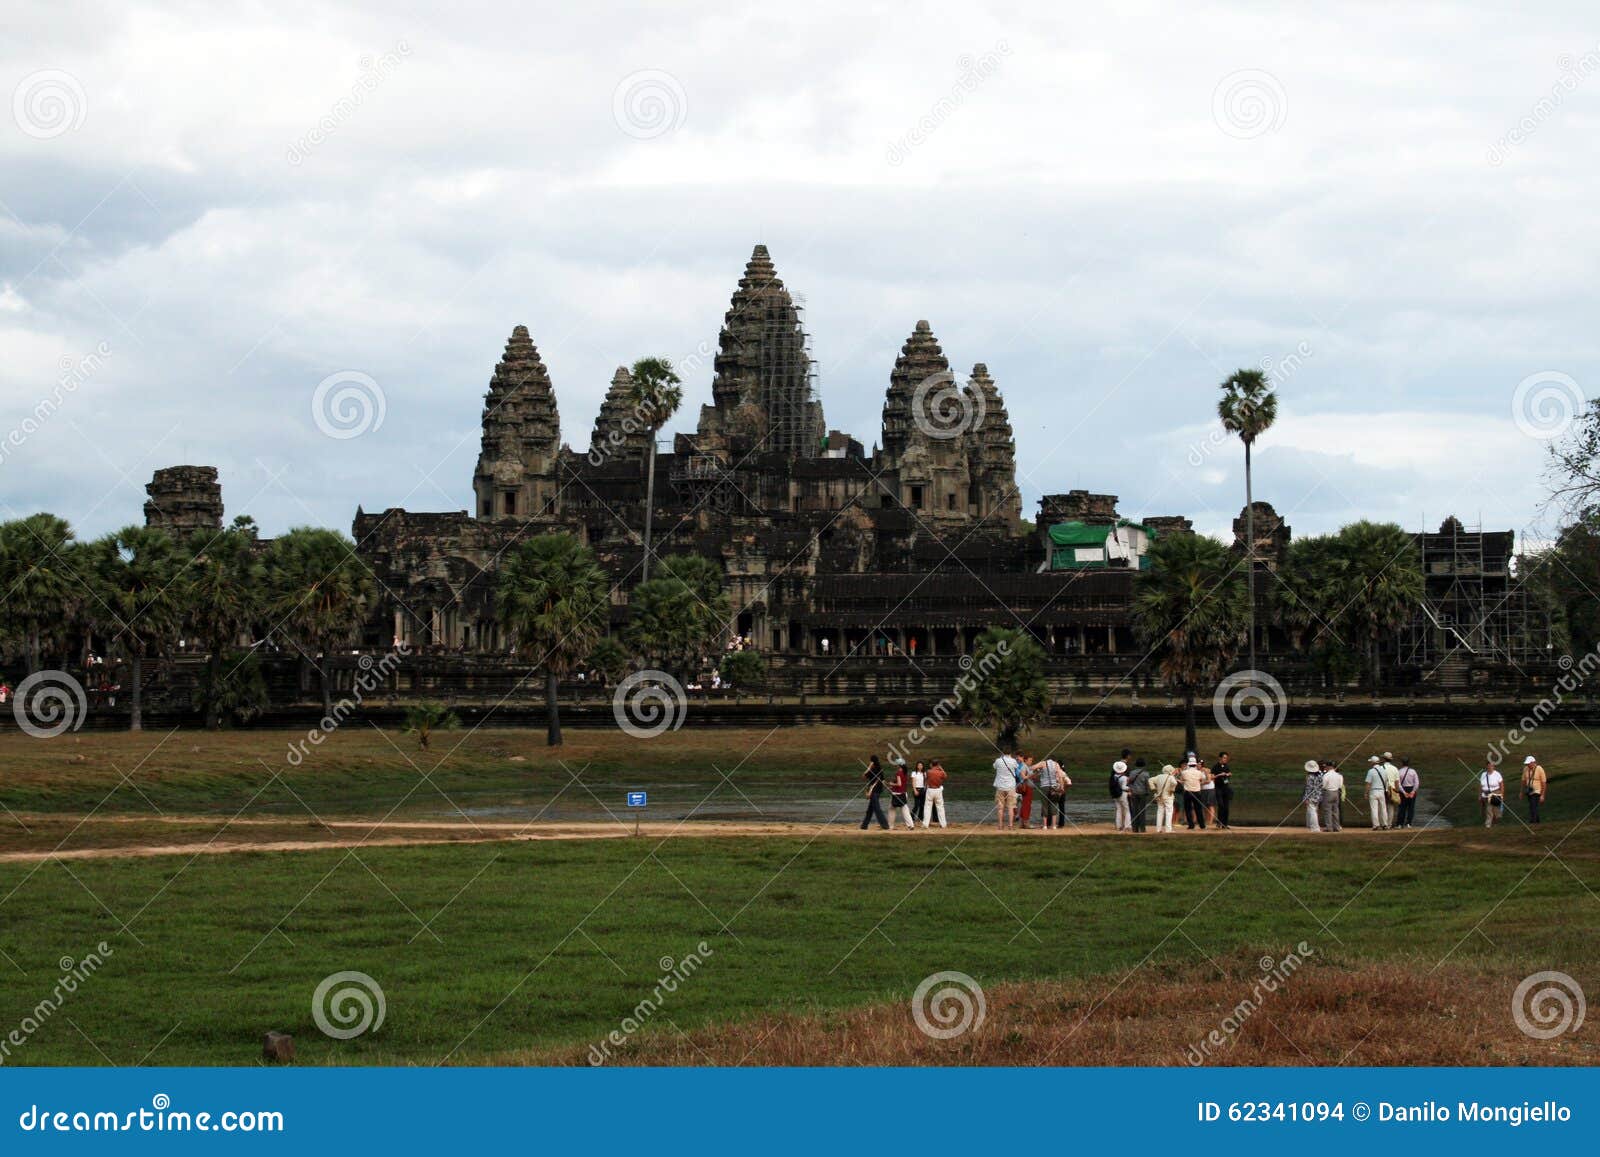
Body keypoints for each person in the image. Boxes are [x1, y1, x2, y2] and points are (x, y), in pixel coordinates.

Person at [1034, 754, 1070, 830]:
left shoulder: (1043, 765)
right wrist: (1062, 787)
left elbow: (1033, 769)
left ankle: (1045, 825)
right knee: (1054, 806)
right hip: (1055, 788)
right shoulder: (1057, 767)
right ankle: (1053, 825)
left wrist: (1038, 769)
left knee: (1045, 806)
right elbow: (1062, 778)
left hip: (1045, 787)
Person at [860, 755, 889, 831]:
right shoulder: (880, 769)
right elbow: (883, 780)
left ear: (872, 761)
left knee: (877, 809)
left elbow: (863, 776)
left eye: (870, 761)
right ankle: (864, 825)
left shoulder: (872, 770)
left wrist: (869, 767)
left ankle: (885, 825)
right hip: (878, 790)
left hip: (874, 791)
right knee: (870, 809)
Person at [993, 752, 1020, 831]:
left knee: (1000, 807)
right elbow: (1016, 767)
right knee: (1011, 807)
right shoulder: (1013, 761)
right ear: (1010, 753)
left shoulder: (998, 760)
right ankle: (1010, 825)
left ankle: (1000, 825)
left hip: (1000, 786)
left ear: (1002, 753)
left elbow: (994, 766)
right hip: (1010, 786)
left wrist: (1000, 758)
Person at [888, 757, 915, 831]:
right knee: (905, 810)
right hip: (903, 793)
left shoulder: (898, 773)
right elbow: (902, 783)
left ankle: (890, 826)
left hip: (897, 794)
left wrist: (892, 784)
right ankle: (910, 825)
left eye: (896, 764)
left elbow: (899, 784)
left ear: (898, 765)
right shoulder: (905, 772)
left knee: (891, 809)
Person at [1179, 758, 1207, 830]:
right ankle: (1202, 825)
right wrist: (1197, 782)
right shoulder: (1199, 772)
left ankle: (1191, 825)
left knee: (1188, 809)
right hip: (1197, 792)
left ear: (1189, 764)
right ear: (1195, 764)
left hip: (1187, 793)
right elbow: (1203, 779)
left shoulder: (1184, 772)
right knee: (1198, 809)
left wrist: (1182, 781)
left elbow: (1182, 780)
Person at [1150, 763, 1178, 833]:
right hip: (1168, 797)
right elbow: (1175, 783)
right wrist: (1172, 790)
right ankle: (1168, 829)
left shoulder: (1159, 776)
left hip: (1159, 796)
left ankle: (1158, 829)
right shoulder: (1171, 777)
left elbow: (1150, 780)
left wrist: (1154, 789)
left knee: (1160, 812)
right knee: (1169, 812)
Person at [1364, 755, 1390, 830]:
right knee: (1383, 808)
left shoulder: (1371, 771)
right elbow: (1386, 782)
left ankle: (1376, 825)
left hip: (1373, 791)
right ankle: (1385, 824)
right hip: (1381, 791)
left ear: (1373, 763)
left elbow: (1368, 783)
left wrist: (1366, 793)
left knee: (1374, 809)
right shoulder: (1384, 770)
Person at [1319, 760, 1345, 832]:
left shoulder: (1326, 775)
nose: (1325, 768)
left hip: (1328, 793)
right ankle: (1336, 827)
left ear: (1329, 766)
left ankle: (1329, 827)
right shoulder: (1339, 775)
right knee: (1335, 811)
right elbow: (1340, 785)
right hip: (1336, 793)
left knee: (1328, 811)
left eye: (1326, 766)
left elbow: (1324, 786)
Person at [1126, 757, 1151, 832]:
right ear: (1143, 765)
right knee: (1142, 811)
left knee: (1134, 811)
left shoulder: (1132, 773)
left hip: (1134, 793)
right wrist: (1148, 792)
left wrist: (1131, 790)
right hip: (1143, 793)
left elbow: (1129, 783)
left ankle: (1135, 829)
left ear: (1136, 764)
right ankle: (1142, 829)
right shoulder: (1146, 774)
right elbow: (1147, 785)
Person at [1521, 755, 1547, 824]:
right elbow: (1523, 781)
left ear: (1533, 762)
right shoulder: (1525, 769)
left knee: (1533, 806)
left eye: (1528, 763)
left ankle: (1533, 821)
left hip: (1537, 791)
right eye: (1527, 764)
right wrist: (1521, 792)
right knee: (1533, 806)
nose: (1527, 765)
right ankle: (1537, 821)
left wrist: (1542, 795)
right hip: (1529, 791)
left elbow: (1544, 783)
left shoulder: (1539, 769)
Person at [1395, 759, 1420, 829]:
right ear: (1408, 763)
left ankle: (1400, 824)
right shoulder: (1413, 771)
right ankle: (1409, 823)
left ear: (1402, 763)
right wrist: (1413, 791)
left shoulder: (1399, 771)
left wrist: (1403, 792)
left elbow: (1398, 783)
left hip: (1403, 789)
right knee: (1411, 808)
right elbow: (1417, 783)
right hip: (1411, 789)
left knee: (1402, 807)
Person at [1480, 760, 1505, 828]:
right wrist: (1480, 795)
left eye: (1491, 766)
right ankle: (1489, 823)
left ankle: (1492, 823)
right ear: (1486, 766)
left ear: (1493, 767)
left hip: (1495, 793)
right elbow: (1481, 785)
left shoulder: (1497, 774)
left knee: (1492, 809)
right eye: (1488, 766)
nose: (1490, 767)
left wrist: (1502, 794)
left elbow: (1501, 785)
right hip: (1485, 794)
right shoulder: (1483, 774)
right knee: (1489, 809)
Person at [924, 760, 948, 829]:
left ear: (932, 764)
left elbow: (926, 778)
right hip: (938, 790)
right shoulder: (941, 772)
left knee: (927, 807)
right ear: (938, 764)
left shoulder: (928, 771)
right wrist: (941, 768)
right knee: (940, 807)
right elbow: (945, 776)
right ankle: (943, 824)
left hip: (930, 790)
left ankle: (925, 824)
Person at [1212, 751, 1234, 828]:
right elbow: (1212, 777)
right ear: (1220, 758)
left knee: (1226, 806)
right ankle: (1219, 822)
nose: (1225, 759)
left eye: (1226, 758)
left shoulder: (1226, 766)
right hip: (1218, 788)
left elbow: (1230, 773)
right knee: (1221, 805)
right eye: (1224, 758)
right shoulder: (1215, 767)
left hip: (1225, 788)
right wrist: (1219, 775)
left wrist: (1228, 774)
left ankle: (1225, 823)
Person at [1301, 759, 1323, 832]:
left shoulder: (1310, 777)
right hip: (1318, 795)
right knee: (1314, 811)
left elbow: (1309, 788)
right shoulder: (1320, 775)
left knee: (1312, 811)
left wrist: (1306, 798)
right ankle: (1313, 826)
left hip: (1311, 796)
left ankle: (1315, 828)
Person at [1016, 754, 1036, 829]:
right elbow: (1023, 777)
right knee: (1027, 805)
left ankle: (1022, 823)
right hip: (1027, 788)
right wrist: (1031, 775)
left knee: (1025, 805)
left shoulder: (1027, 767)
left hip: (1028, 787)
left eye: (1032, 760)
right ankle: (1026, 823)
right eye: (1030, 760)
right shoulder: (1024, 766)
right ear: (1025, 760)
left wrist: (1034, 775)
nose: (1031, 761)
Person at [1110, 759, 1131, 831]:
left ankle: (1118, 826)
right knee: (1127, 810)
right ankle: (1127, 826)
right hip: (1123, 795)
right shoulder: (1124, 778)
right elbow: (1123, 787)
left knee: (1118, 810)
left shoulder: (1114, 776)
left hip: (1116, 795)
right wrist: (1130, 788)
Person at [1199, 758, 1218, 828]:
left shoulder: (1206, 770)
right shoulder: (1198, 771)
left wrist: (1200, 783)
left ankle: (1211, 821)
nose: (1198, 765)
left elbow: (1209, 780)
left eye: (1200, 764)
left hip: (1210, 789)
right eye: (1198, 764)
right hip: (1203, 790)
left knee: (1210, 805)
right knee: (1204, 806)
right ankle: (1206, 820)